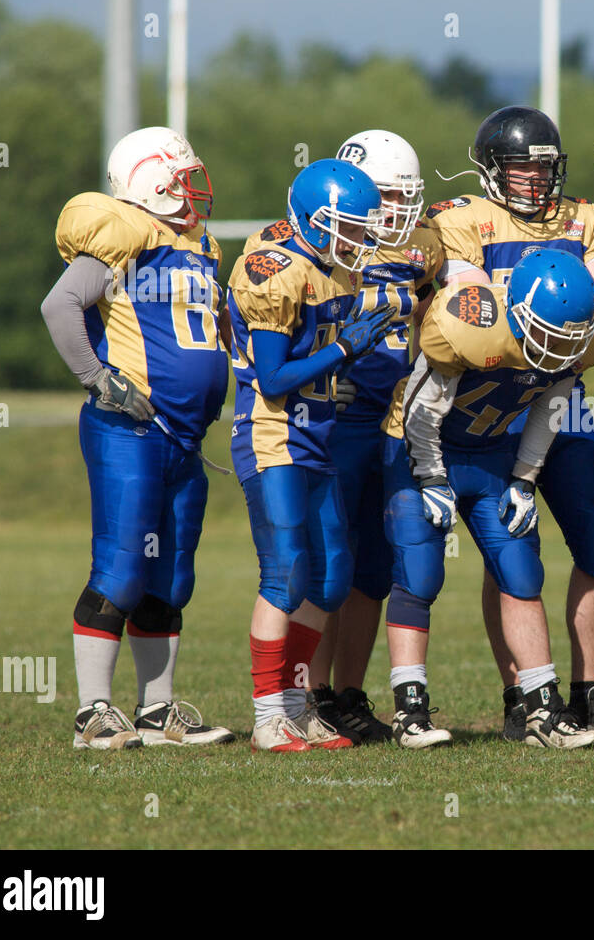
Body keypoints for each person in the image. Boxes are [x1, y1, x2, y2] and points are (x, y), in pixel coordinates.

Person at [426, 106, 594, 737]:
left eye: (544, 168)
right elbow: (476, 317)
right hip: (486, 406)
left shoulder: (584, 220)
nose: (535, 181)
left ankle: (587, 690)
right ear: (491, 170)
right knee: (507, 554)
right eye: (520, 169)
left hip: (560, 401)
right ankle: (523, 697)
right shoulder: (458, 223)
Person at [44, 126, 234, 749]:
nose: (192, 189)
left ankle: (157, 711)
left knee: (170, 575)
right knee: (123, 569)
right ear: (151, 182)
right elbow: (59, 307)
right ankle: (92, 713)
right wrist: (97, 379)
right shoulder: (123, 233)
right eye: (181, 178)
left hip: (183, 436)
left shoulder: (199, 243)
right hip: (129, 429)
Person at [380, 249, 594, 749]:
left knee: (522, 572)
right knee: (420, 572)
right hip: (422, 449)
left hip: (492, 459)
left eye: (570, 338)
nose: (558, 348)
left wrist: (525, 479)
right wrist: (429, 476)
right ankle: (409, 710)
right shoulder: (469, 325)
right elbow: (421, 409)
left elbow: (551, 407)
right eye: (549, 334)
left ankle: (542, 711)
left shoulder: (575, 342)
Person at [229, 158, 390, 752]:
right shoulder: (274, 270)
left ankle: (297, 707)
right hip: (272, 435)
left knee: (330, 578)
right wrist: (346, 347)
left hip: (316, 436)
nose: (356, 237)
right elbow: (272, 378)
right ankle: (270, 714)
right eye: (345, 225)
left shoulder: (336, 271)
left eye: (360, 226)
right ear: (311, 219)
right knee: (288, 571)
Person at [299, 130, 443, 744]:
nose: (393, 210)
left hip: (392, 427)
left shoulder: (425, 250)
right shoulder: (317, 250)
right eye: (382, 195)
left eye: (404, 196)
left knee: (374, 571)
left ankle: (350, 696)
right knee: (326, 565)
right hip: (332, 425)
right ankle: (306, 694)